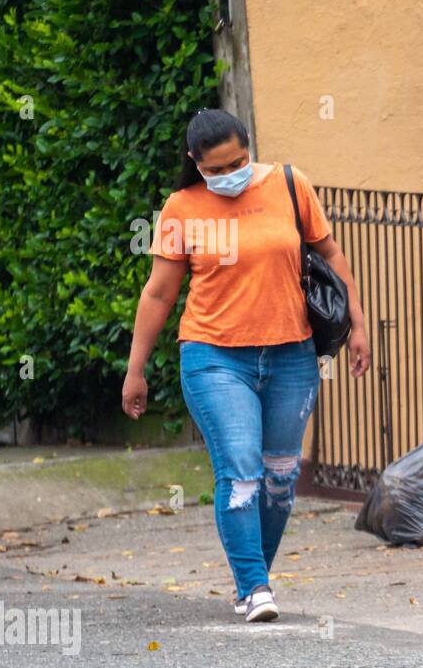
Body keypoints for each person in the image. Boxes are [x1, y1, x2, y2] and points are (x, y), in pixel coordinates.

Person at [122, 108, 370, 622]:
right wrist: (135, 367)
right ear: (195, 163)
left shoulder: (289, 184)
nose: (229, 174)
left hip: (292, 355)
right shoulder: (181, 207)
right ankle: (255, 587)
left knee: (280, 477)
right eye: (215, 169)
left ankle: (253, 579)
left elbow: (332, 256)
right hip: (213, 357)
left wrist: (359, 324)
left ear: (249, 146)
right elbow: (159, 293)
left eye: (238, 161)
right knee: (239, 470)